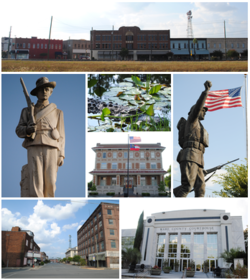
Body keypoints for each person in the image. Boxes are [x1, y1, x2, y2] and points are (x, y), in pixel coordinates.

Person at [16, 77, 65, 197]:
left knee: (51, 181)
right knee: (36, 180)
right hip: (34, 145)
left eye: (47, 89)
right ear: (36, 93)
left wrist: (61, 154)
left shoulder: (58, 112)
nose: (44, 92)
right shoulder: (27, 111)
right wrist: (28, 129)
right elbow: (18, 130)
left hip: (52, 147)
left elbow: (62, 135)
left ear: (51, 92)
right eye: (41, 89)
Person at [174, 81, 212, 197]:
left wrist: (201, 165)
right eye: (203, 110)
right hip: (190, 155)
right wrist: (206, 92)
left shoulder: (200, 126)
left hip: (199, 158)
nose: (204, 113)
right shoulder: (192, 121)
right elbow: (198, 105)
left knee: (201, 189)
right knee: (187, 186)